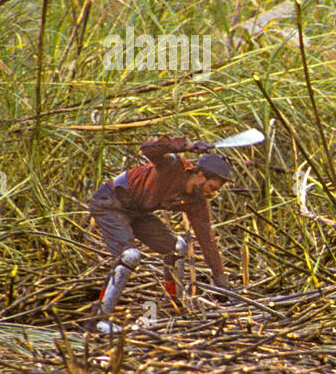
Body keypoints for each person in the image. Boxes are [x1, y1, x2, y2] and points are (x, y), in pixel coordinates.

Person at [87, 136, 233, 320]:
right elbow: (148, 148)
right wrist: (186, 145)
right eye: (212, 187)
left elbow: (207, 242)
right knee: (130, 256)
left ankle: (171, 305)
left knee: (177, 246)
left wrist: (221, 281)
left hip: (137, 212)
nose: (212, 193)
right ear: (201, 175)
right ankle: (99, 318)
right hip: (110, 203)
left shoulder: (197, 202)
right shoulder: (173, 165)